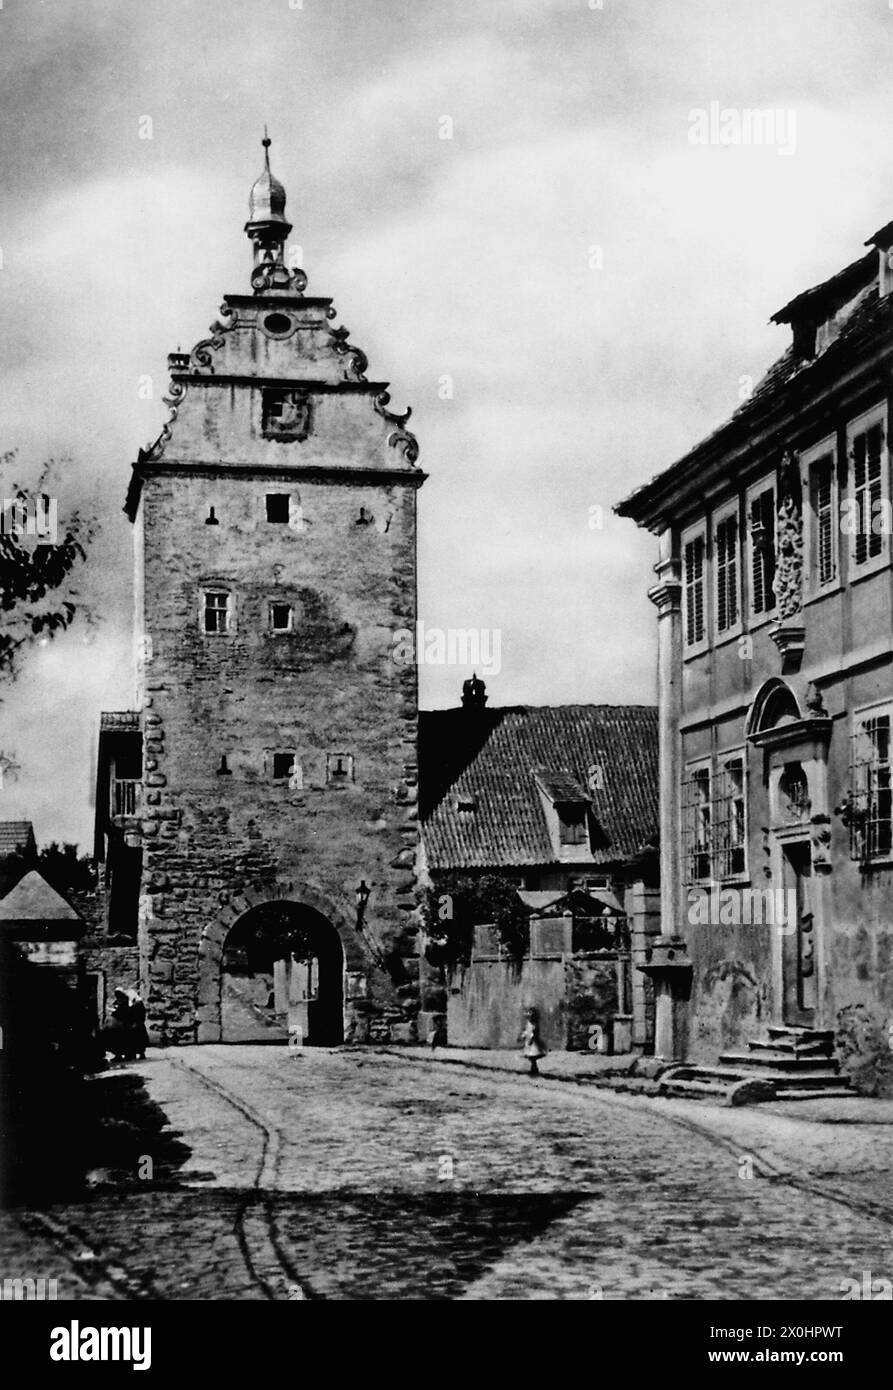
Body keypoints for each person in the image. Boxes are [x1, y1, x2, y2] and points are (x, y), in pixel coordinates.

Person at [520, 1006, 547, 1077]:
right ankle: (533, 1068)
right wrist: (523, 1036)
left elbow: (533, 1033)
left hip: (533, 1043)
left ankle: (534, 1069)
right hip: (529, 1042)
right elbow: (526, 1031)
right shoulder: (528, 1023)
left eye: (530, 1013)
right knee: (531, 1057)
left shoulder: (534, 1024)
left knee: (532, 1056)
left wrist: (531, 1038)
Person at [127, 989, 149, 1061]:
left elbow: (132, 1014)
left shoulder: (136, 1004)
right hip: (140, 1024)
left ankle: (134, 1054)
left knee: (135, 1039)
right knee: (140, 1040)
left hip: (136, 1024)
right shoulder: (139, 1003)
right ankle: (141, 1053)